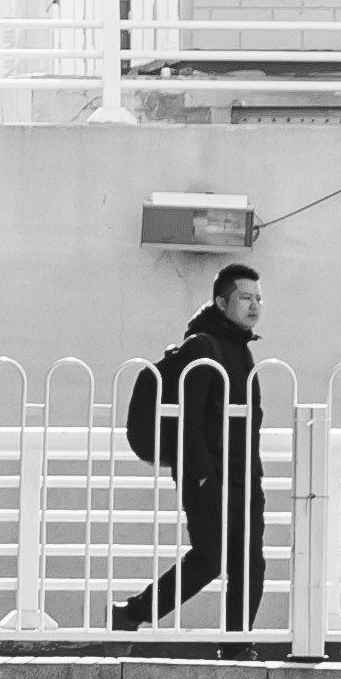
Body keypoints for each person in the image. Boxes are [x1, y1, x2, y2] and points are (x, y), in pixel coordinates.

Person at [115, 263, 267, 631]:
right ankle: (132, 613)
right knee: (209, 559)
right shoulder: (203, 346)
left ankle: (237, 643)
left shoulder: (241, 348)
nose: (254, 305)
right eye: (245, 297)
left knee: (250, 563)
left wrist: (254, 477)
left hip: (244, 477)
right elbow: (190, 419)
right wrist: (201, 477)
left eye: (258, 298)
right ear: (220, 301)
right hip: (208, 477)